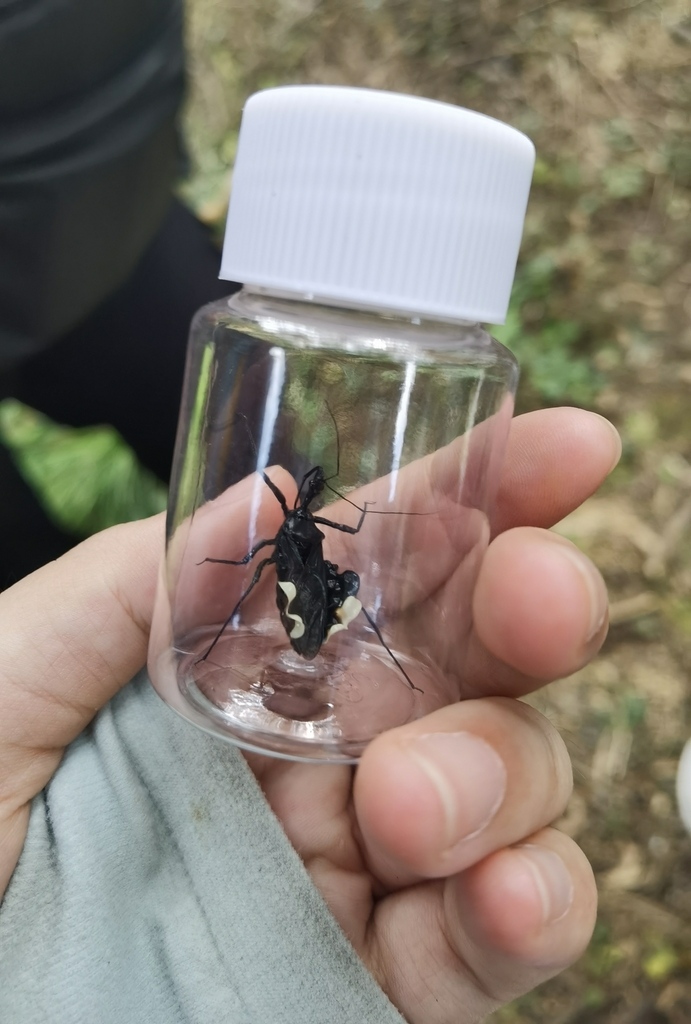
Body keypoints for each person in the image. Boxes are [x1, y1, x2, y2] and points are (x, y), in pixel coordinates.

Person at [0, 406, 620, 1023]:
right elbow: (259, 554)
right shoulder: (296, 525)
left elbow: (267, 550)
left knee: (306, 576)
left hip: (299, 612)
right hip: (285, 623)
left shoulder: (301, 527)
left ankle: (372, 657)